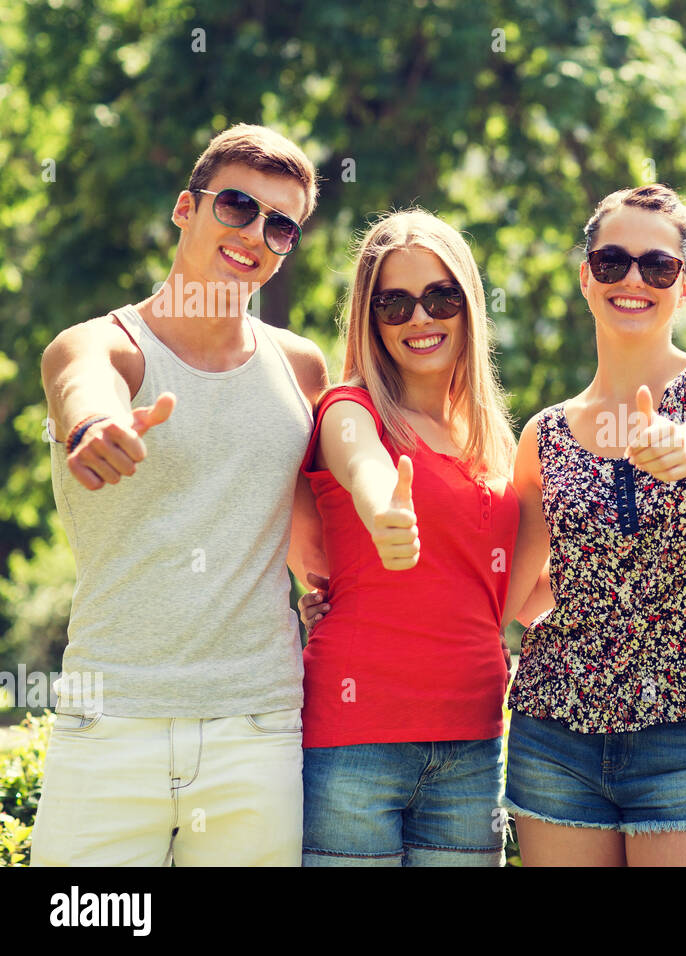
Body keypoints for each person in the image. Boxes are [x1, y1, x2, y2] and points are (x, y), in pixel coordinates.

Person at [32, 124, 329, 865]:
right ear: (184, 209)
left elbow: (310, 543)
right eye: (236, 206)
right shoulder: (101, 345)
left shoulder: (301, 368)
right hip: (111, 720)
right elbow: (83, 390)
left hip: (256, 726)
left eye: (281, 225)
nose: (256, 233)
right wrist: (95, 429)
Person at [501, 183, 686, 866]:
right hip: (554, 734)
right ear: (587, 275)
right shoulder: (544, 434)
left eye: (659, 266)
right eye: (613, 260)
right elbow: (514, 594)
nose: (634, 280)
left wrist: (684, 448)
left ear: (685, 284)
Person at [294, 209, 522, 866]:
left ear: (469, 306)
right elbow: (362, 465)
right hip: (356, 739)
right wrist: (383, 512)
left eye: (440, 297)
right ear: (371, 320)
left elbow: (513, 589)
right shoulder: (350, 408)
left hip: (475, 741)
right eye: (395, 304)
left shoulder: (492, 442)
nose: (420, 318)